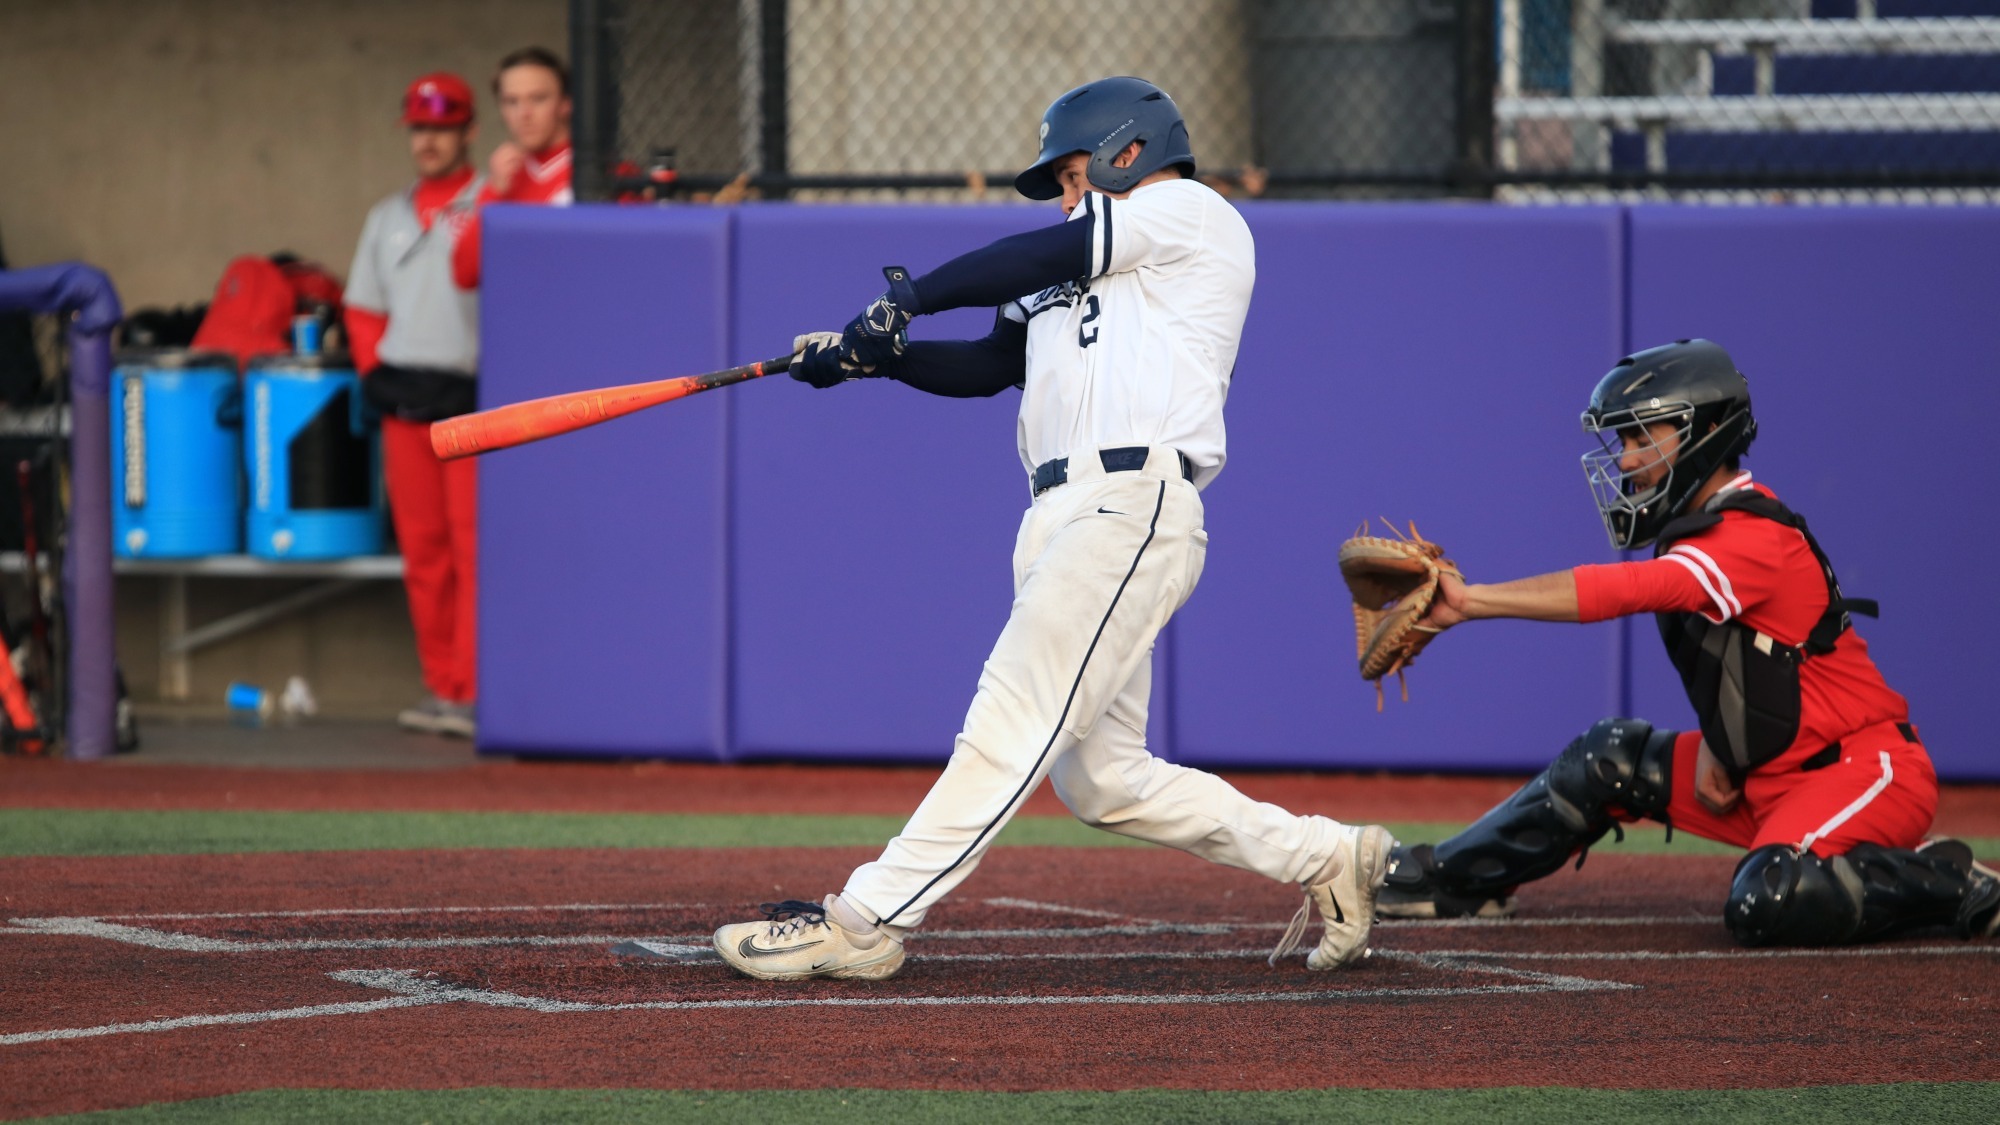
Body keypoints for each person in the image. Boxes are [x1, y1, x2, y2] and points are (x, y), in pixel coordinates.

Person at [709, 77, 1394, 982]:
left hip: (1133, 501)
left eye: (1074, 175)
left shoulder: (1190, 212)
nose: (1068, 196)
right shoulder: (1079, 260)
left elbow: (1032, 255)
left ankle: (866, 918)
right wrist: (875, 360)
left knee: (1011, 714)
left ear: (1128, 150)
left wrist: (906, 299)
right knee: (1104, 780)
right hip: (1056, 513)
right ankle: (1325, 856)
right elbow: (993, 365)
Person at [1378, 338, 2000, 946]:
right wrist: (1724, 750)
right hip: (1768, 774)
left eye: (1639, 437)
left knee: (1769, 900)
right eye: (1621, 440)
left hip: (1862, 769)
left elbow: (1628, 589)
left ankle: (1944, 876)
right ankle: (1452, 879)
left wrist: (1472, 600)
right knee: (1607, 760)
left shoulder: (1754, 533)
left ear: (1704, 434)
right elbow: (1744, 669)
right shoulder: (1699, 531)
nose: (1623, 460)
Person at [343, 73, 484, 738]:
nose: (429, 140)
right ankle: (442, 684)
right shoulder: (386, 214)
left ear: (467, 132)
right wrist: (375, 372)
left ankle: (475, 686)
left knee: (473, 544)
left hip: (471, 394)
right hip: (407, 397)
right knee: (423, 548)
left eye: (443, 126)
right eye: (420, 128)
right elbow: (363, 308)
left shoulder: (491, 200)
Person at [451, 47, 573, 291]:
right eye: (511, 101)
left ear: (565, 104)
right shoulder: (503, 181)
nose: (524, 114)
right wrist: (494, 191)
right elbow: (464, 274)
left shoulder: (606, 173)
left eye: (538, 99)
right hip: (520, 322)